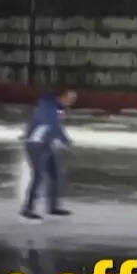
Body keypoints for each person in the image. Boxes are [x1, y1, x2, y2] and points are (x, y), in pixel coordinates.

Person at [21, 89, 78, 220]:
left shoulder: (58, 108)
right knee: (39, 176)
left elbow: (57, 126)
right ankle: (27, 208)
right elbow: (51, 124)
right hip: (36, 145)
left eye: (74, 100)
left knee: (55, 175)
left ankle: (53, 207)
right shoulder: (48, 105)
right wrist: (64, 140)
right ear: (62, 96)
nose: (72, 102)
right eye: (70, 99)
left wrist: (64, 139)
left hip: (46, 144)